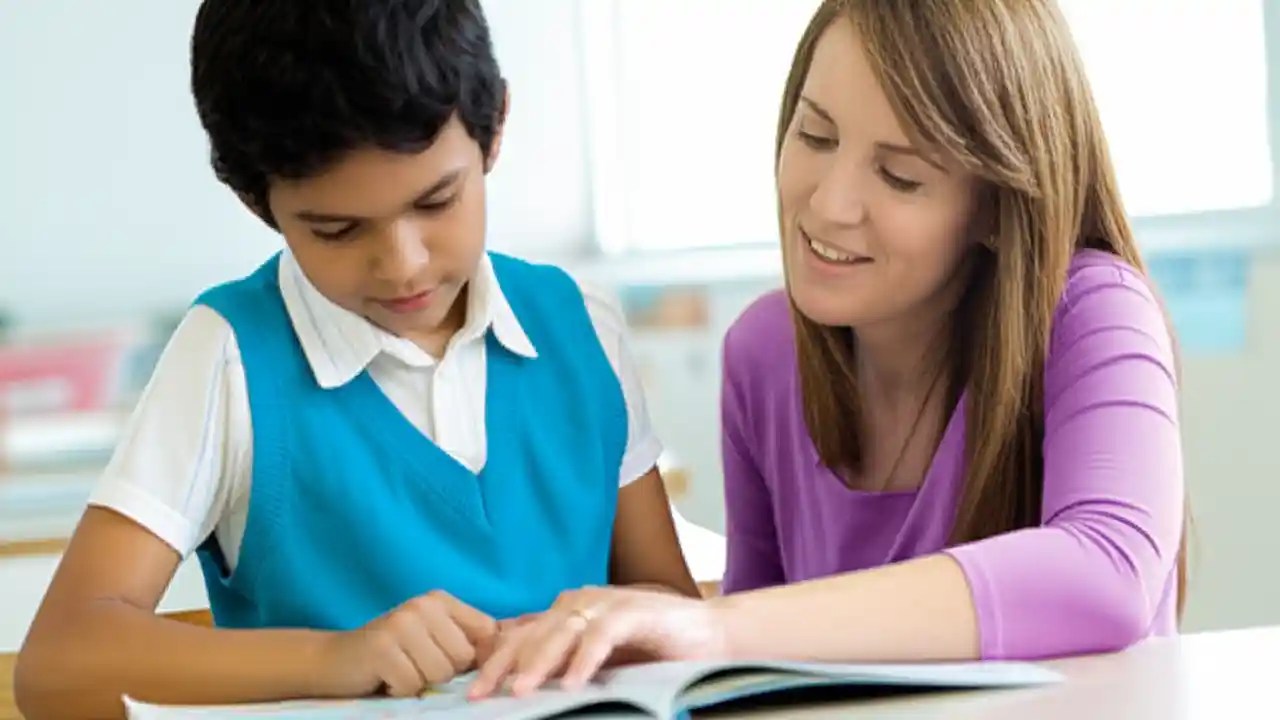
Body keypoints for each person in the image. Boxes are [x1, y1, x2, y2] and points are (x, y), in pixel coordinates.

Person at [469, 0, 1185, 699]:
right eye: (814, 136)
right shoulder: (764, 352)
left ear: (996, 207)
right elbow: (759, 661)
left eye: (900, 176)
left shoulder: (1092, 309)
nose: (830, 203)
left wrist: (717, 626)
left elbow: (1107, 574)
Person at [14, 1, 697, 717]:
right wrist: (338, 659)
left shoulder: (580, 327)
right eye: (337, 229)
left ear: (493, 131)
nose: (403, 267)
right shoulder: (229, 357)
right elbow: (58, 668)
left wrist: (599, 626)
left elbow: (672, 606)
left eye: (437, 201)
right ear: (259, 202)